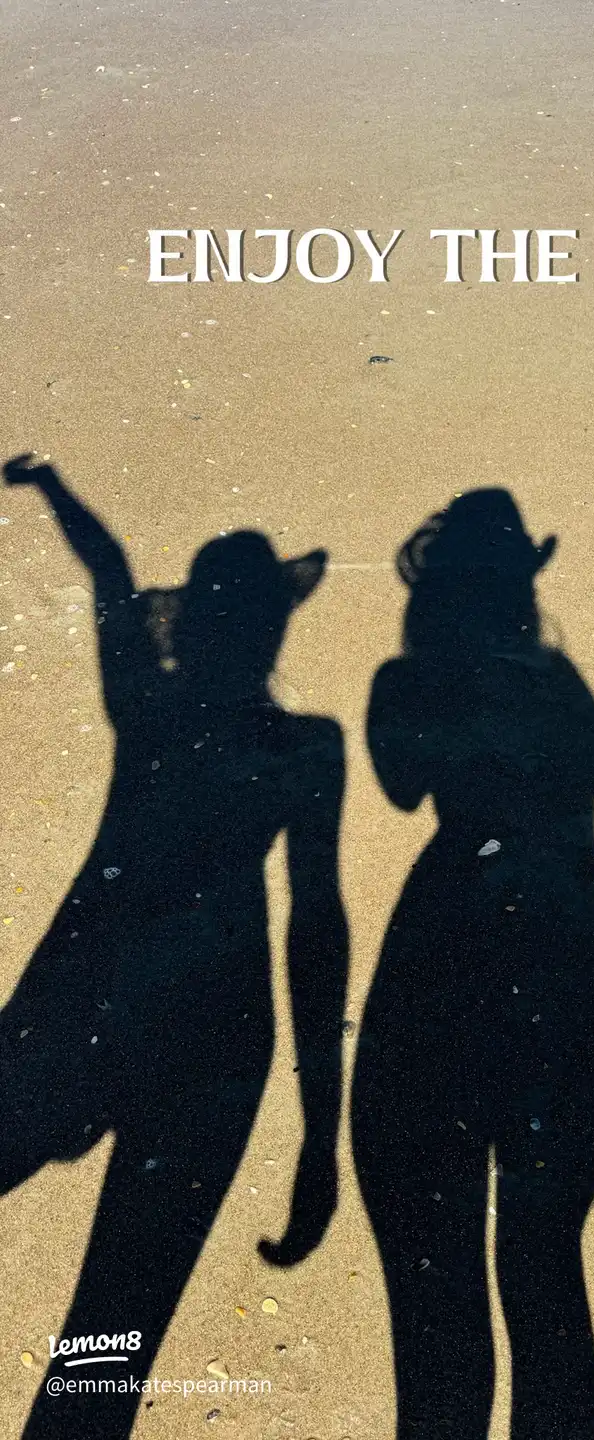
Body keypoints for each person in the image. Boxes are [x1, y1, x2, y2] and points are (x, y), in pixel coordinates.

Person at [352, 489, 594, 1439]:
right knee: (544, 1269)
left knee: (438, 1305)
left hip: (437, 963)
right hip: (561, 969)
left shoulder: (403, 687)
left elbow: (403, 789)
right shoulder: (551, 684)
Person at [1, 455, 348, 1439]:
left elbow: (110, 573)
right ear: (274, 628)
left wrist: (53, 486)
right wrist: (321, 1133)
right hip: (216, 1044)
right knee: (106, 1348)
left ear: (188, 621)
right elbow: (316, 929)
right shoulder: (306, 749)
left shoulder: (147, 710)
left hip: (80, 1005)